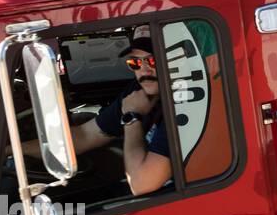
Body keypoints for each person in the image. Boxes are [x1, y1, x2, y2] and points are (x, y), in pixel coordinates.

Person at [24, 30, 172, 196]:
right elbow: (85, 135)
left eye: (152, 60)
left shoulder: (181, 103)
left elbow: (141, 185)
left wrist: (131, 117)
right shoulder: (138, 91)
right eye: (135, 63)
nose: (144, 70)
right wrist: (14, 151)